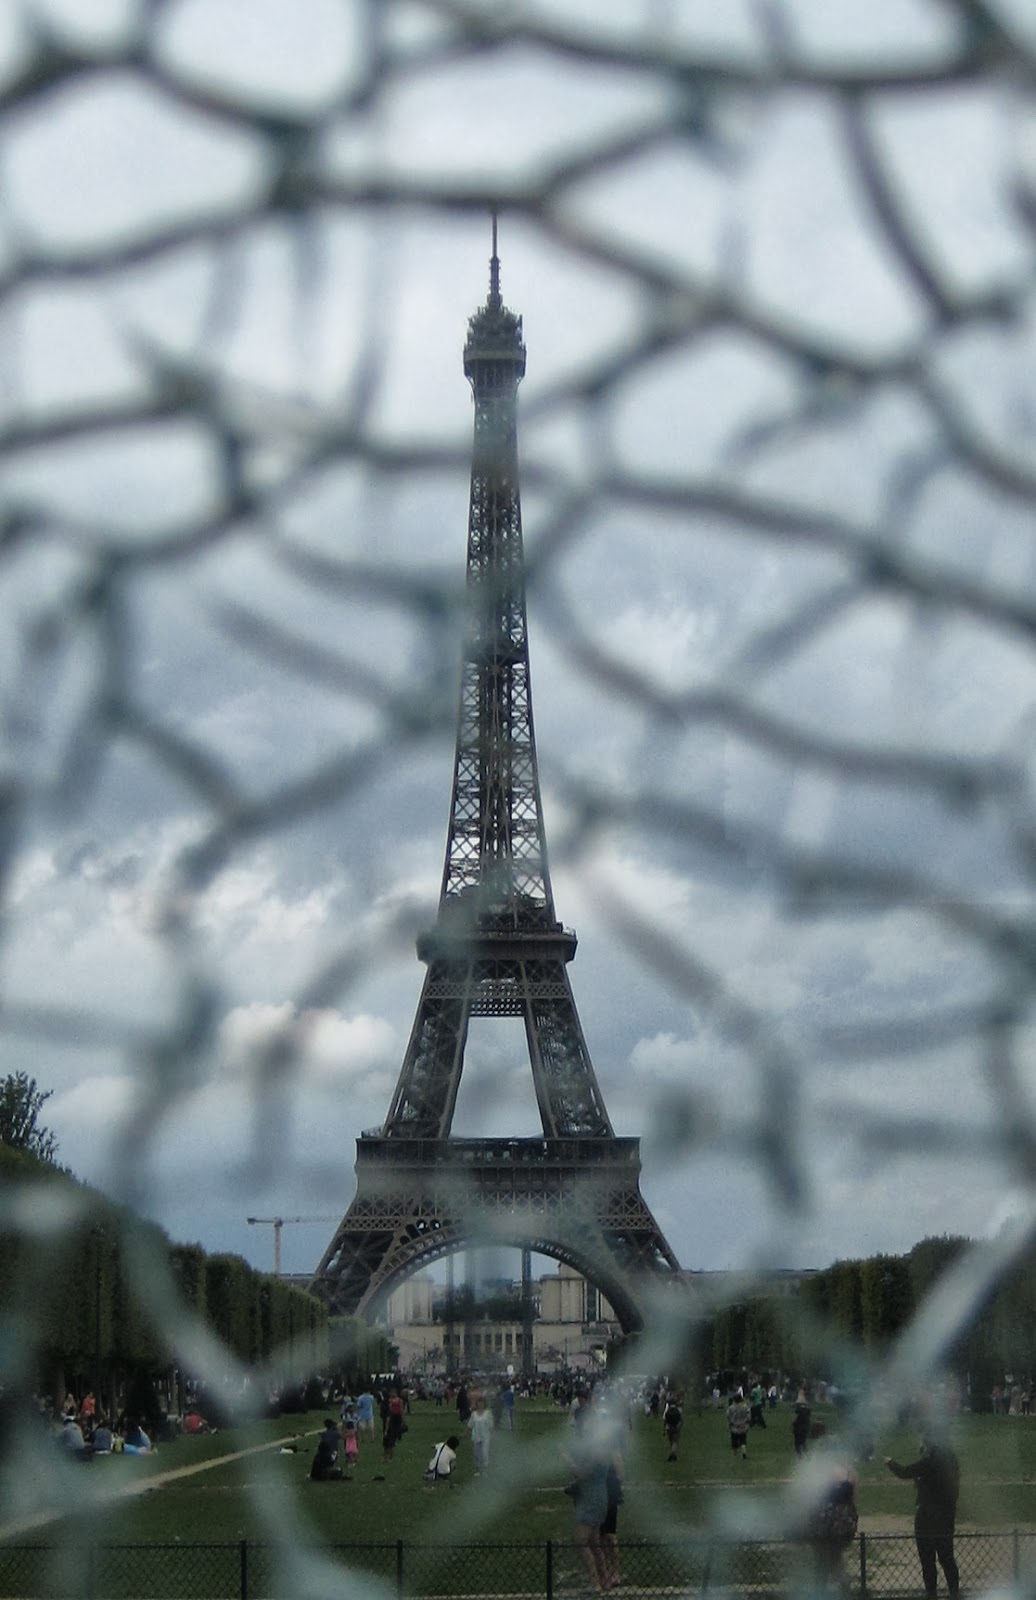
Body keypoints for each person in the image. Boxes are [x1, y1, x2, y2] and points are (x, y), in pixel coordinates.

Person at [885, 1435, 960, 1598]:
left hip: (927, 1519)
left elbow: (904, 1472)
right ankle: (955, 1593)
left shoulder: (930, 1462)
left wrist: (890, 1462)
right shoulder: (952, 1462)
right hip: (946, 1518)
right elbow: (938, 1485)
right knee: (947, 1558)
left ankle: (931, 1594)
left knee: (928, 1561)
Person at [563, 1398, 612, 1594]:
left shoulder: (596, 1449)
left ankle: (594, 1583)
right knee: (594, 1542)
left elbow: (581, 1473)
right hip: (598, 1495)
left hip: (591, 1497)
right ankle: (605, 1579)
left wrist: (566, 1458)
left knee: (580, 1541)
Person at [808, 1459, 859, 1591]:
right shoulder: (851, 1473)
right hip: (842, 1522)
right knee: (835, 1559)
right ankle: (844, 1589)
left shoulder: (825, 1471)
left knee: (823, 1560)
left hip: (825, 1521)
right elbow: (853, 1500)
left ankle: (821, 1590)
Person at [468, 1395, 494, 1476]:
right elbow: (470, 1425)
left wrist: (493, 1435)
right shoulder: (474, 1414)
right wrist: (463, 1434)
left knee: (485, 1453)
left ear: (484, 1404)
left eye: (482, 1403)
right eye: (479, 1403)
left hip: (485, 1436)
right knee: (477, 1454)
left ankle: (485, 1470)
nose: (480, 1405)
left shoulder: (488, 1413)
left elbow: (491, 1425)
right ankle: (477, 1470)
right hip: (476, 1436)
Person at [382, 1389, 406, 1461]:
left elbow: (389, 1418)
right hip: (396, 1418)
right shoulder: (399, 1401)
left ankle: (387, 1456)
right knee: (392, 1437)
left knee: (389, 1438)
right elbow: (401, 1410)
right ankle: (389, 1456)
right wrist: (403, 1420)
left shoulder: (390, 1402)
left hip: (393, 1418)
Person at [727, 1393, 751, 1460]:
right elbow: (749, 1417)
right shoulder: (745, 1407)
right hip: (743, 1427)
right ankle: (743, 1451)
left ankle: (735, 1453)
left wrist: (733, 1423)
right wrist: (744, 1422)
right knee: (743, 1440)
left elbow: (729, 1417)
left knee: (734, 1440)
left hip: (734, 1427)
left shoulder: (731, 1408)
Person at [662, 1393, 683, 1462]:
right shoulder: (678, 1410)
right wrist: (680, 1426)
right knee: (675, 1442)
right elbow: (681, 1420)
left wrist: (664, 1430)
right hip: (676, 1427)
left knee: (671, 1441)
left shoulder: (667, 1411)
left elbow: (665, 1421)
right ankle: (673, 1454)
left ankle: (674, 1455)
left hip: (669, 1428)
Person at [792, 1389, 812, 1458]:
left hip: (799, 1426)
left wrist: (792, 1424)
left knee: (797, 1442)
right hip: (806, 1425)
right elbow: (809, 1417)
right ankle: (807, 1455)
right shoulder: (807, 1407)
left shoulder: (798, 1407)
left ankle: (800, 1456)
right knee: (803, 1442)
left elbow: (795, 1417)